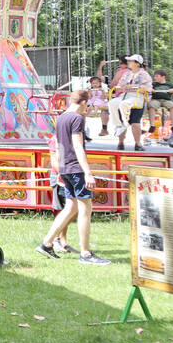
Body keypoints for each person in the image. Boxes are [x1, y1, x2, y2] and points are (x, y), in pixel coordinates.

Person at [38, 90, 108, 264]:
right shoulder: (77, 119)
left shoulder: (61, 118)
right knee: (85, 209)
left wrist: (61, 168)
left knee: (70, 207)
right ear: (84, 103)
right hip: (76, 168)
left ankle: (47, 243)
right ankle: (85, 253)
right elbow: (78, 146)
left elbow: (60, 145)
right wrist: (88, 172)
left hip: (65, 168)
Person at [110, 54, 152, 151]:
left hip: (137, 97)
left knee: (135, 122)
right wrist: (125, 86)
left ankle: (137, 143)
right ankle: (119, 127)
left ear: (137, 63)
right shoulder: (127, 74)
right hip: (125, 95)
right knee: (112, 103)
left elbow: (147, 87)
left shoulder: (144, 74)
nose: (128, 62)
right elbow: (121, 84)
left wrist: (132, 86)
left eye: (131, 61)